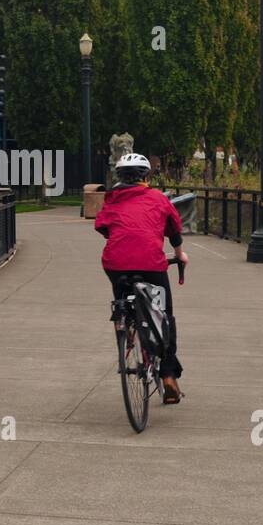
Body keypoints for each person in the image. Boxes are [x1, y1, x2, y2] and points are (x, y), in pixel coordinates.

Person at [94, 152, 188, 403]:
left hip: (116, 262)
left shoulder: (111, 199)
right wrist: (180, 255)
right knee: (164, 316)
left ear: (119, 176)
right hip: (150, 263)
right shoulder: (157, 198)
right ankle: (168, 376)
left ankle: (123, 326)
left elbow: (103, 227)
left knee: (121, 293)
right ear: (146, 176)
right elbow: (174, 230)